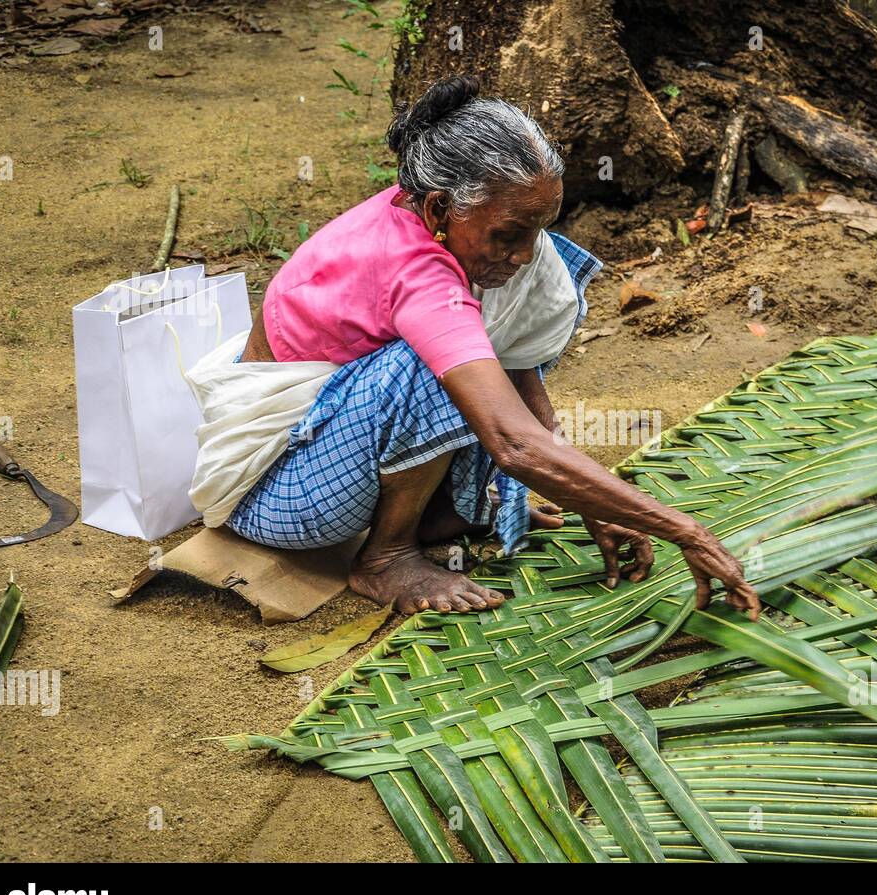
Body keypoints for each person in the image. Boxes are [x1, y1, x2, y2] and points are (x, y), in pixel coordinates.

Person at [188, 75, 759, 621]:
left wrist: (591, 500)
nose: (523, 253)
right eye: (509, 234)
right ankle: (385, 556)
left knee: (483, 350)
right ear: (439, 208)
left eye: (534, 229)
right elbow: (512, 440)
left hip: (331, 454)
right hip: (275, 495)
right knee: (428, 365)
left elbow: (516, 376)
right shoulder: (418, 276)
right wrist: (687, 530)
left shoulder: (434, 221)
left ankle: (440, 516)